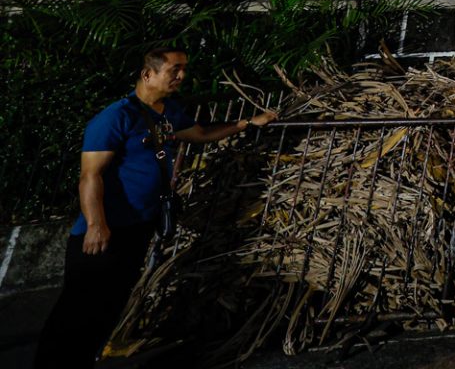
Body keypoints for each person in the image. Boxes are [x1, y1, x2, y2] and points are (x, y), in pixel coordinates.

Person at [35, 47, 276, 369]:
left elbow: (201, 134)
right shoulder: (115, 117)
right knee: (77, 309)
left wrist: (247, 123)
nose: (181, 76)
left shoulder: (169, 113)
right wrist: (95, 224)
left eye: (183, 69)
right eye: (174, 69)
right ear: (148, 74)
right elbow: (90, 175)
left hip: (138, 227)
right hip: (104, 230)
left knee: (109, 305)